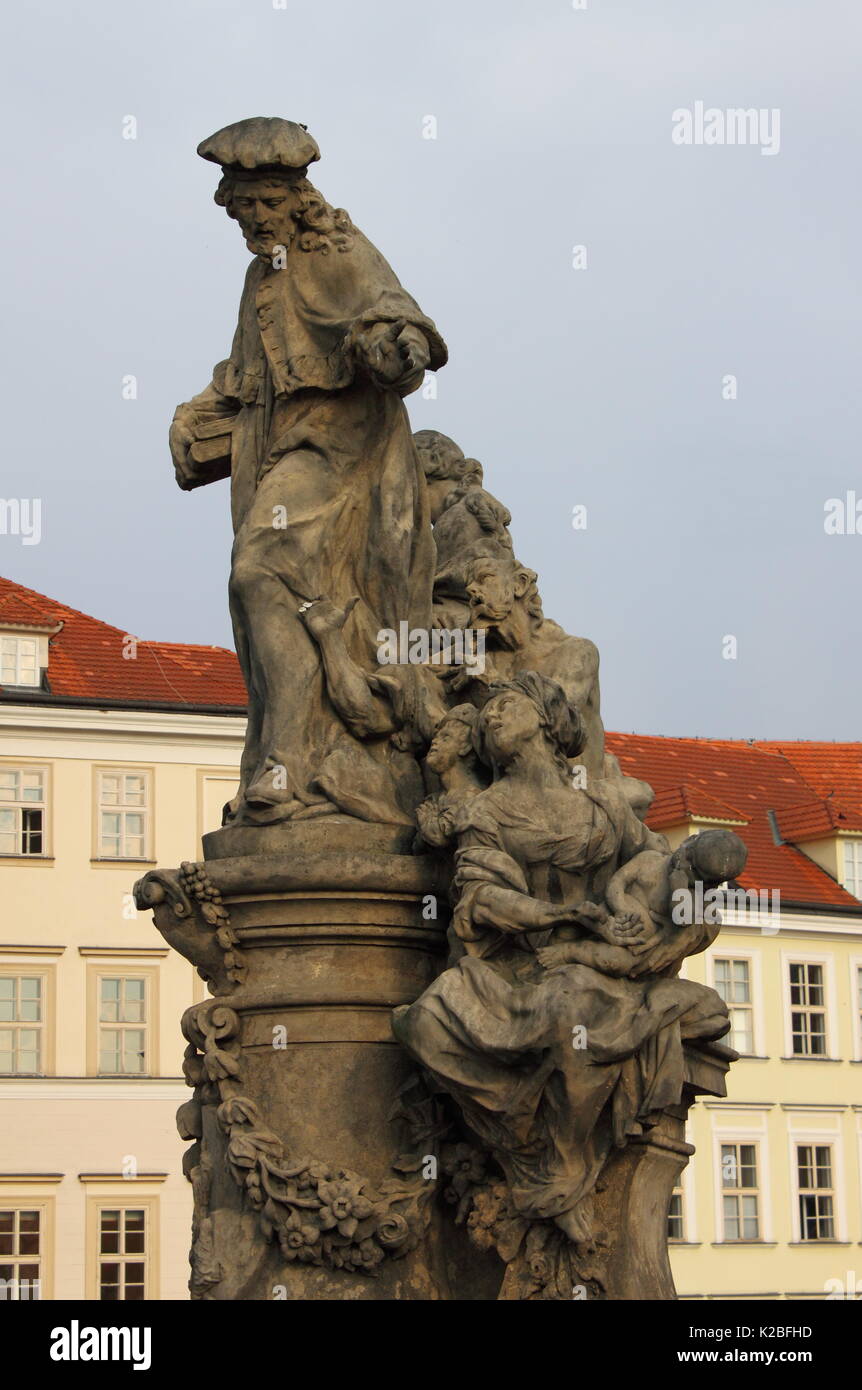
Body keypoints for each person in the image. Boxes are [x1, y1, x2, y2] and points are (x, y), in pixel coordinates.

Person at [169, 118, 447, 826]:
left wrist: (398, 349)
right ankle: (290, 753)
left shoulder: (338, 250)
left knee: (259, 571)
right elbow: (243, 376)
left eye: (266, 202)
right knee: (269, 592)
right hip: (282, 445)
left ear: (297, 196)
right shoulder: (261, 277)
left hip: (341, 452)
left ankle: (287, 765)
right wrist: (196, 415)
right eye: (243, 206)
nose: (254, 218)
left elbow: (398, 320)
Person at [393, 673, 730, 1248]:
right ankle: (525, 1141)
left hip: (600, 968)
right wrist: (563, 918)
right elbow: (479, 896)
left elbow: (668, 873)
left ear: (546, 719)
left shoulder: (600, 805)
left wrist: (675, 934)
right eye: (487, 713)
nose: (491, 718)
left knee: (575, 1003)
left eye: (505, 706)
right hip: (520, 966)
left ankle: (563, 1166)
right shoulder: (485, 811)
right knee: (423, 1021)